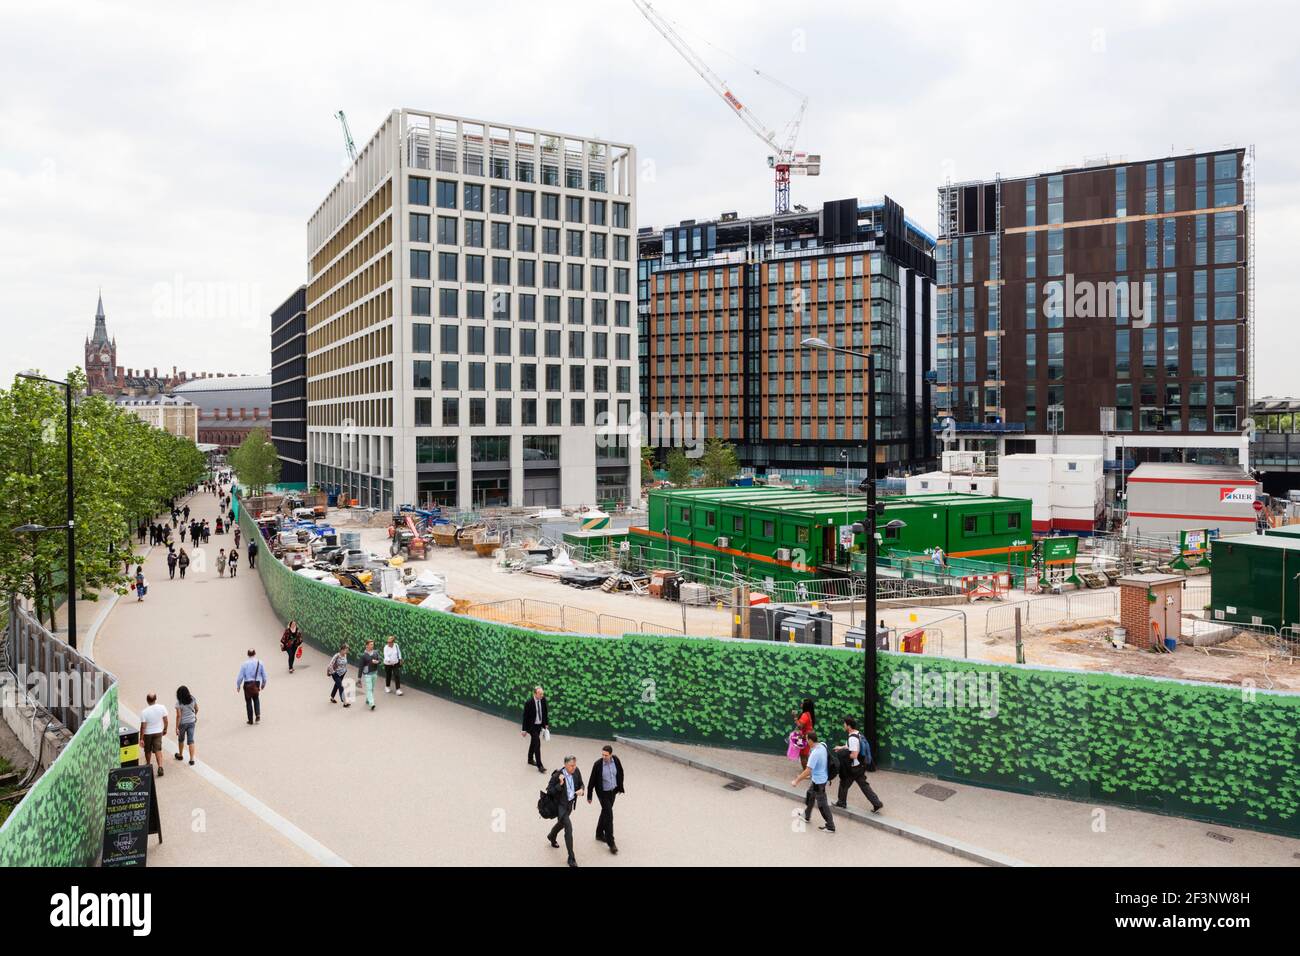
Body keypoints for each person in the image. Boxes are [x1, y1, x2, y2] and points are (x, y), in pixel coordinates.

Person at [833, 717, 883, 813]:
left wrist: (843, 754)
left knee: (844, 783)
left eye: (844, 724)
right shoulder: (857, 734)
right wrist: (841, 747)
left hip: (853, 767)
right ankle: (877, 803)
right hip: (860, 766)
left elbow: (854, 754)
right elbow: (849, 747)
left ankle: (841, 802)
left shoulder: (852, 738)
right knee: (863, 785)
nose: (843, 725)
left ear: (849, 726)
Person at [792, 731, 835, 833]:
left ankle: (830, 826)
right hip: (820, 779)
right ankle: (807, 816)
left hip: (819, 782)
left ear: (811, 740)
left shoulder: (815, 753)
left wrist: (796, 780)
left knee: (822, 804)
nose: (806, 741)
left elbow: (808, 770)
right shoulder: (823, 745)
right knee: (810, 795)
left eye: (807, 739)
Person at [546, 756, 584, 867]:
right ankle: (571, 858)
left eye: (575, 765)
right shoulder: (557, 775)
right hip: (560, 806)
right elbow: (549, 791)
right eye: (571, 766)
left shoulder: (576, 771)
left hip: (569, 805)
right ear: (565, 765)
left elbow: (581, 783)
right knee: (568, 828)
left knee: (561, 824)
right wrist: (560, 784)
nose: (574, 767)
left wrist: (582, 789)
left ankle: (551, 836)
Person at [587, 744, 625, 854]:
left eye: (606, 755)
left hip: (612, 792)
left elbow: (620, 772)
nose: (604, 757)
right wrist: (590, 795)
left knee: (605, 812)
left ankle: (599, 834)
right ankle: (611, 843)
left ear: (611, 755)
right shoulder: (598, 764)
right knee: (609, 816)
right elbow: (592, 780)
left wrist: (620, 786)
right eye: (602, 754)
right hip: (603, 794)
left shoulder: (616, 760)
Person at [140, 693, 169, 778]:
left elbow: (143, 726)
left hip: (148, 733)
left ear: (147, 700)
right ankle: (160, 767)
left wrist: (141, 738)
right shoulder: (162, 707)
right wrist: (165, 729)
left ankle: (148, 765)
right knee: (158, 750)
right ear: (155, 699)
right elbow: (166, 720)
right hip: (158, 732)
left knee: (147, 750)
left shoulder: (144, 712)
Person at [235, 648, 267, 725]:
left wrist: (238, 685)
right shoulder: (260, 663)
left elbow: (240, 677)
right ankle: (258, 715)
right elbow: (264, 675)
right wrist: (263, 684)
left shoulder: (244, 664)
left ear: (248, 654)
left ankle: (250, 720)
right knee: (256, 698)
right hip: (256, 683)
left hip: (247, 684)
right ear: (255, 654)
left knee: (248, 701)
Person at [521, 686, 549, 773]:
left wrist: (546, 723)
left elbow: (545, 712)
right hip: (531, 727)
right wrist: (524, 730)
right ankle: (540, 766)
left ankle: (530, 759)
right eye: (540, 694)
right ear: (535, 694)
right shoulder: (529, 703)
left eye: (542, 693)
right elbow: (525, 717)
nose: (542, 695)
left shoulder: (543, 700)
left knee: (533, 742)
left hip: (539, 726)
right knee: (537, 743)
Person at [173, 685, 199, 765]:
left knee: (181, 739)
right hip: (191, 722)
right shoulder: (192, 698)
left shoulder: (179, 703)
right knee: (191, 740)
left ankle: (180, 755)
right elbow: (197, 708)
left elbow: (179, 716)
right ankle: (191, 759)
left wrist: (177, 727)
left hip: (183, 723)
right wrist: (194, 715)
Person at [357, 639, 381, 710]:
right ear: (366, 645)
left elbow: (380, 660)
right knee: (369, 688)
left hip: (374, 673)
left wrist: (377, 661)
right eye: (371, 644)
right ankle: (372, 703)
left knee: (372, 688)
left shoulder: (376, 652)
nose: (372, 646)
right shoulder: (363, 655)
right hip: (367, 675)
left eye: (373, 644)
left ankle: (368, 699)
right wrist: (359, 677)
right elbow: (361, 667)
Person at [792, 697, 815, 769]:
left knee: (803, 756)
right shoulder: (808, 714)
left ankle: (806, 774)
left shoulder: (805, 715)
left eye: (802, 703)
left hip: (805, 737)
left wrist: (795, 717)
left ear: (805, 706)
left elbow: (800, 727)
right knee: (806, 755)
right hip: (808, 736)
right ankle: (808, 771)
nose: (801, 704)